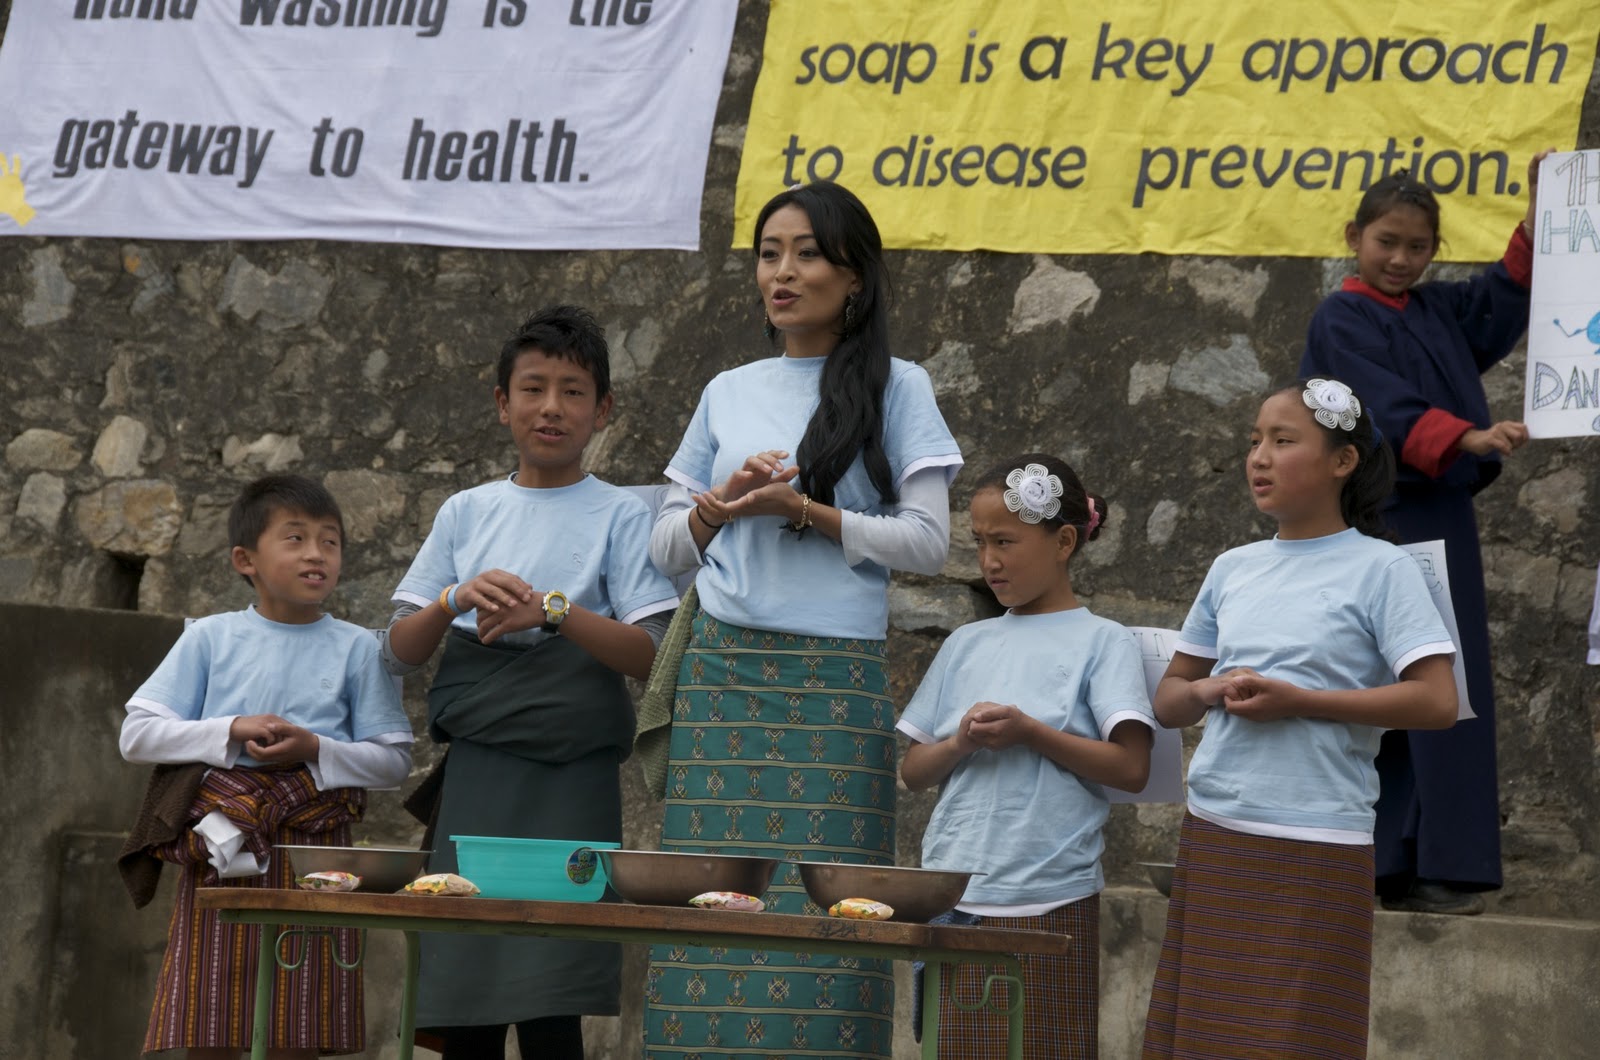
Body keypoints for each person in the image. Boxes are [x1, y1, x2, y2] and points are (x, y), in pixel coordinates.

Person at [640, 181, 962, 1058]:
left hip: (831, 684)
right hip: (724, 678)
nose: (782, 272)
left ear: (853, 276)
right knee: (713, 920)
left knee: (833, 927)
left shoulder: (900, 387)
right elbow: (667, 549)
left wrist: (802, 511)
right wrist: (720, 506)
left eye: (807, 253)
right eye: (769, 252)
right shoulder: (728, 388)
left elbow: (930, 543)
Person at [383, 304, 677, 1060]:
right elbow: (404, 646)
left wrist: (553, 612)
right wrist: (456, 597)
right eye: (534, 388)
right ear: (502, 403)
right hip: (482, 773)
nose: (552, 408)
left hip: (572, 777)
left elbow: (650, 655)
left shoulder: (620, 514)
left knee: (554, 987)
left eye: (574, 391)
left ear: (603, 409)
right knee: (468, 979)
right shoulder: (466, 511)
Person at [1141, 379, 1460, 1059]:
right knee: (1204, 1038)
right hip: (1218, 831)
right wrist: (1211, 690)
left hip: (1318, 836)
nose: (1259, 457)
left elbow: (1434, 700)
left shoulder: (1382, 570)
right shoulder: (1234, 568)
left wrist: (1303, 701)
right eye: (1255, 440)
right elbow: (1169, 698)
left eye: (1283, 441)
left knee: (1298, 1038)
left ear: (1342, 462)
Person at [1299, 152, 1551, 914]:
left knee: (1445, 686)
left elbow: (1498, 303)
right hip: (1380, 517)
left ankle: (1445, 863)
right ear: (1354, 236)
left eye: (1418, 247)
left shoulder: (1435, 312)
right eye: (1387, 242)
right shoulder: (1341, 317)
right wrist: (1462, 438)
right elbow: (1375, 401)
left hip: (1443, 519)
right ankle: (1374, 859)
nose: (1402, 259)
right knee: (1379, 684)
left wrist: (1540, 222)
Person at [118, 474, 414, 1059]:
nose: (316, 555)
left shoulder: (360, 647)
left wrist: (316, 750)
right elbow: (137, 735)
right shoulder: (208, 639)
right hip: (224, 850)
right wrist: (230, 729)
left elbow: (393, 762)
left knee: (296, 1029)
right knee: (212, 1027)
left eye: (330, 542)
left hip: (316, 853)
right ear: (244, 559)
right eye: (296, 538)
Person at [898, 454, 1155, 1059]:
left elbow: (1131, 768)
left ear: (1064, 540)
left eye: (1006, 541)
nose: (989, 561)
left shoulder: (1103, 640)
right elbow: (913, 771)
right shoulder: (967, 642)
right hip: (954, 892)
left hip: (1050, 893)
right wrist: (960, 741)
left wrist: (1033, 733)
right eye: (981, 542)